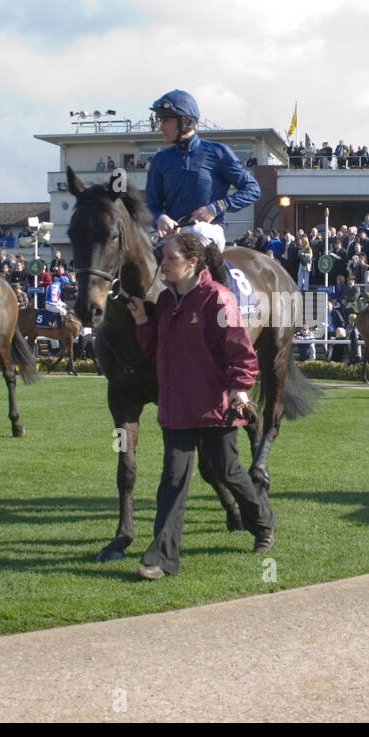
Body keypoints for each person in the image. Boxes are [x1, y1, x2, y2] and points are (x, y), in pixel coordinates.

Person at [127, 233, 275, 578]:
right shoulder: (165, 301)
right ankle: (161, 559)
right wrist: (141, 322)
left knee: (229, 473)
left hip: (214, 408)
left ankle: (263, 523)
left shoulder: (219, 300)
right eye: (162, 257)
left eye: (170, 258)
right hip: (176, 409)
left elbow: (241, 351)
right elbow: (156, 352)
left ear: (192, 263)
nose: (162, 263)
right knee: (173, 482)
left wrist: (239, 390)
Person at [145, 90, 260, 251]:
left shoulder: (218, 152)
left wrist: (217, 207)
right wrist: (160, 218)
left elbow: (252, 189)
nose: (161, 127)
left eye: (166, 120)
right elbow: (150, 204)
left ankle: (218, 277)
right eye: (160, 121)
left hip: (208, 231)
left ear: (185, 121)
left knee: (200, 232)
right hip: (172, 236)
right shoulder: (160, 160)